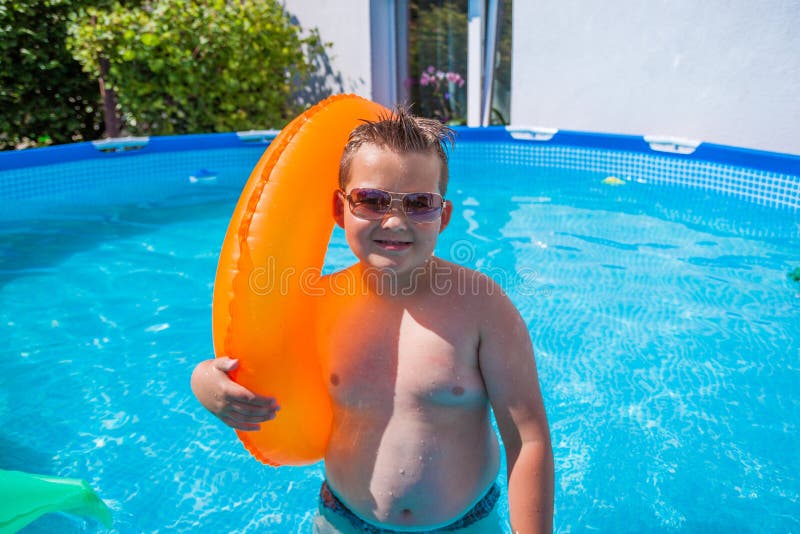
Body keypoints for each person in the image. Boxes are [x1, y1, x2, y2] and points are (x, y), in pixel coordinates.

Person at [191, 107, 554, 533]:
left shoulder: (483, 309)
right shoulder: (318, 304)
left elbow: (528, 440)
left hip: (465, 523)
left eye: (419, 204)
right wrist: (205, 383)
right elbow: (253, 365)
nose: (395, 221)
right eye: (371, 200)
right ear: (339, 209)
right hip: (344, 519)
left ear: (444, 217)